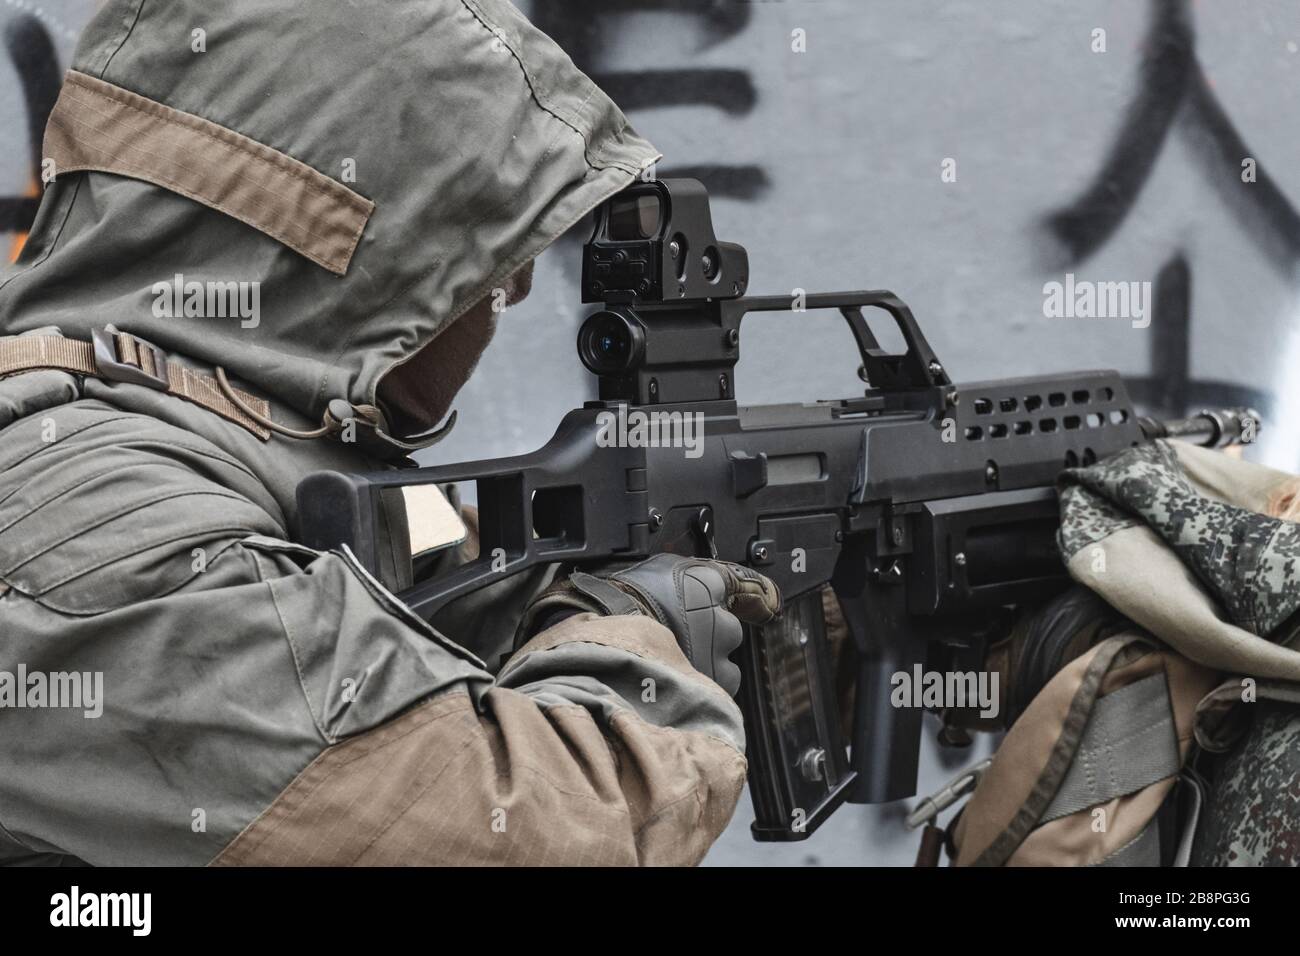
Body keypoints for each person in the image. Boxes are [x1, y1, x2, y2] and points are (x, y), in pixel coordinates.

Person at [0, 0, 779, 866]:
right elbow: (534, 836)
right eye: (492, 263)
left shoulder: (162, 455)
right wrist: (634, 629)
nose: (507, 298)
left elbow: (449, 578)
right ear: (389, 274)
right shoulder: (109, 552)